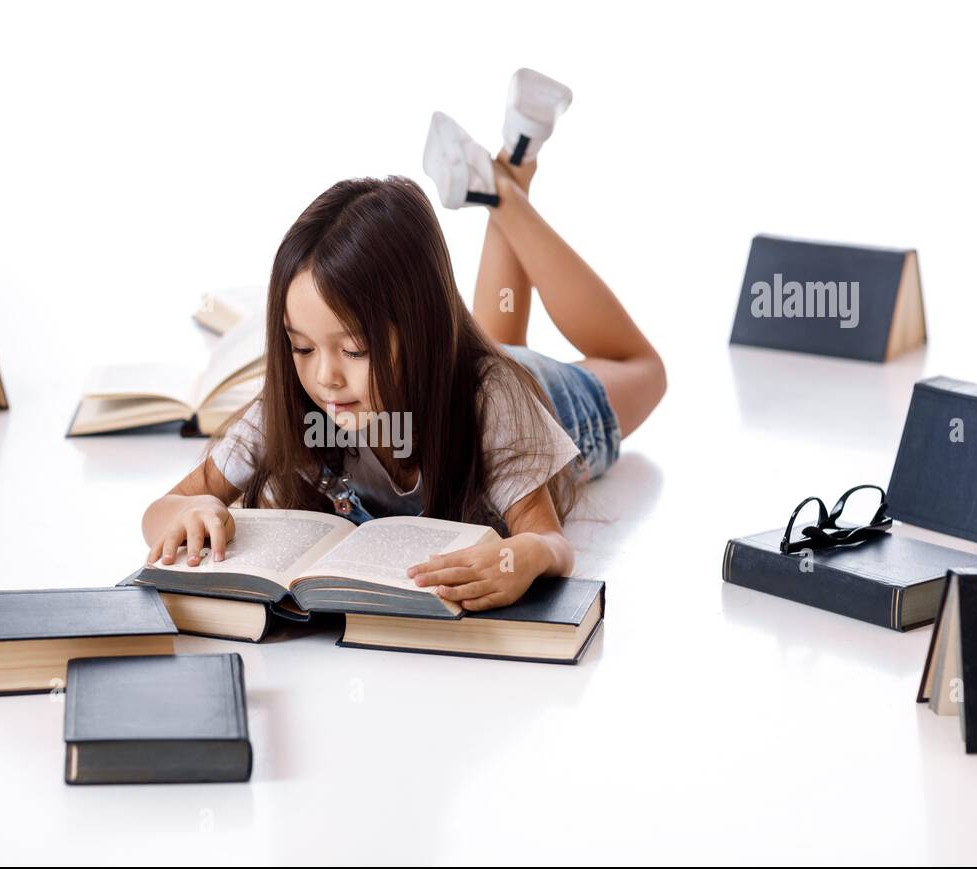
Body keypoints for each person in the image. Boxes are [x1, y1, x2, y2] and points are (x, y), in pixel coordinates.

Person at [142, 68, 665, 610]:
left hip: (547, 401)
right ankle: (509, 166)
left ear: (421, 331)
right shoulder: (300, 404)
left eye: (353, 350)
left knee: (643, 367)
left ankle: (507, 193)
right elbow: (165, 504)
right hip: (472, 366)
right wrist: (185, 512)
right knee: (494, 336)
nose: (325, 376)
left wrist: (522, 558)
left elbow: (551, 541)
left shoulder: (495, 403)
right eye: (302, 347)